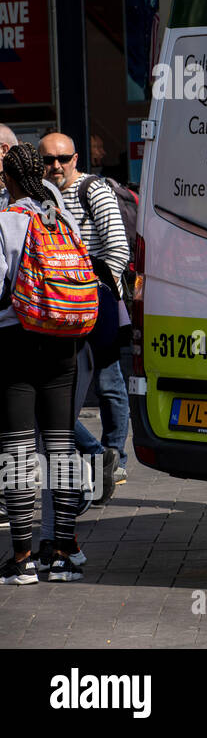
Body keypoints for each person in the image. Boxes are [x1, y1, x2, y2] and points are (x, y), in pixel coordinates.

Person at [0, 144, 87, 583]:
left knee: (17, 451)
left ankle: (22, 559)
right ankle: (62, 555)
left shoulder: (6, 222)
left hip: (15, 342)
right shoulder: (64, 218)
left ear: (8, 180)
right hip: (63, 341)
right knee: (61, 447)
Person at [37, 133, 128, 488]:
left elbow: (118, 250)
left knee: (108, 382)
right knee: (50, 389)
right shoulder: (40, 196)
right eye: (48, 160)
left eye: (63, 158)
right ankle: (98, 454)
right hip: (57, 307)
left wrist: (91, 294)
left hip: (95, 302)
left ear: (75, 159)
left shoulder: (93, 190)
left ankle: (115, 458)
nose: (56, 166)